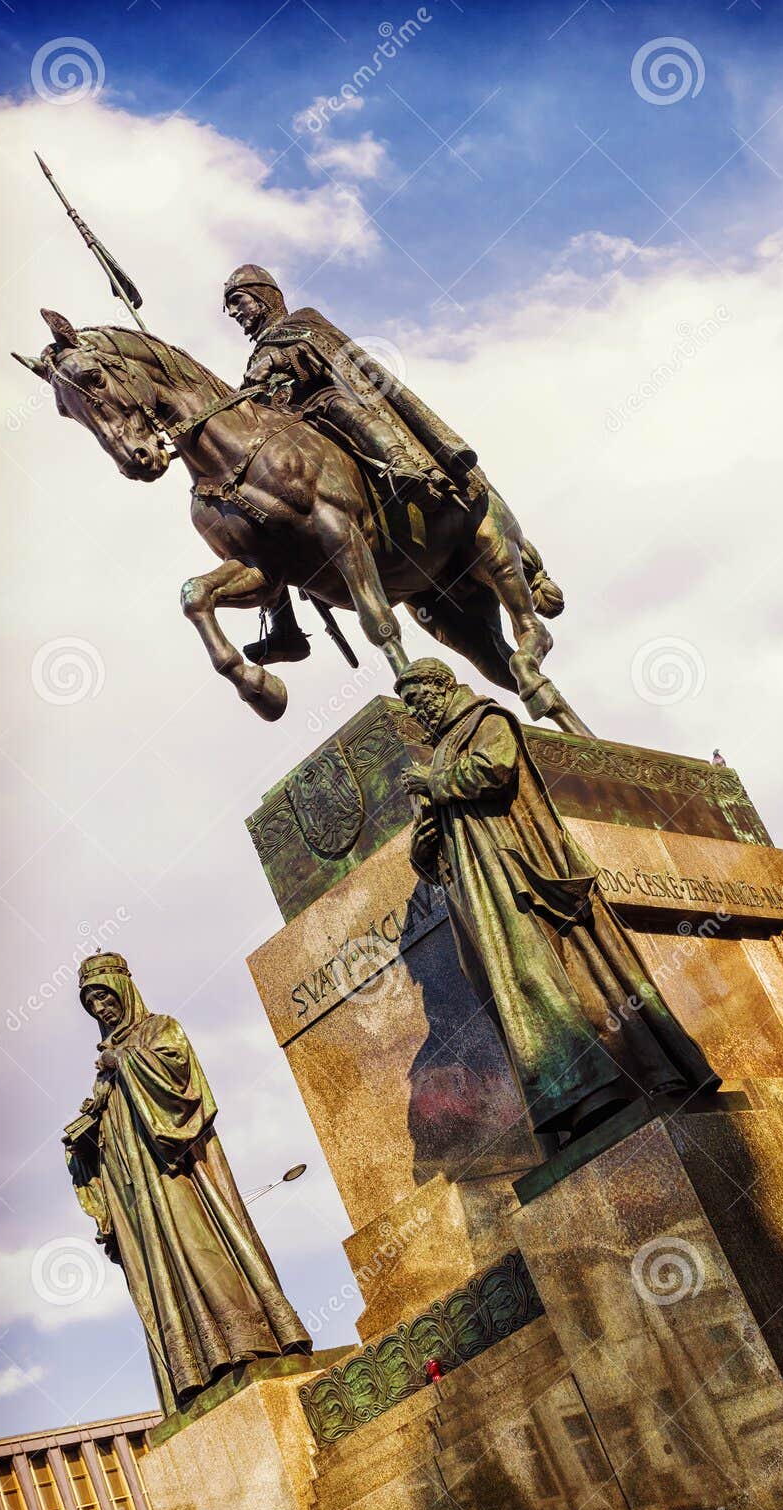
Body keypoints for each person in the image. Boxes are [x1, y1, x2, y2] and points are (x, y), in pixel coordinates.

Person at [397, 659, 720, 1139]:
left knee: (545, 973)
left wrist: (435, 785)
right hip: (477, 891)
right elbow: (438, 849)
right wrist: (424, 844)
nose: (417, 712)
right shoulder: (440, 752)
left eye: (419, 699)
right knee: (512, 987)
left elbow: (496, 769)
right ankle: (575, 1096)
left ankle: (605, 1085)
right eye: (409, 706)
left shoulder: (487, 720)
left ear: (442, 687)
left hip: (515, 872)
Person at [65, 953, 310, 1413]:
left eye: (103, 995)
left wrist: (125, 1062)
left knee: (201, 1247)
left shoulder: (158, 1030)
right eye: (90, 1002)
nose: (99, 1008)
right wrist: (88, 1134)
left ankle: (245, 1339)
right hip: (136, 1189)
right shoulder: (104, 1068)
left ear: (123, 988)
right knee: (159, 1269)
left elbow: (183, 1088)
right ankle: (196, 1366)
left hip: (174, 1174)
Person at [223, 264, 478, 665]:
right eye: (231, 307)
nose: (235, 313)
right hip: (289, 437)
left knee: (344, 410)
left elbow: (312, 352)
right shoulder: (254, 352)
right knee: (261, 518)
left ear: (263, 295)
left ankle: (401, 461)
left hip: (319, 406)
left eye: (238, 302)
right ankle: (284, 627)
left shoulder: (299, 321)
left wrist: (273, 363)